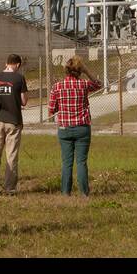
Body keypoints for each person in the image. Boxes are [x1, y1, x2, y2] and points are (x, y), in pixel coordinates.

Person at [48, 57, 101, 197]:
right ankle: (84, 193)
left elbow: (51, 109)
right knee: (81, 162)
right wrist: (87, 71)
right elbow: (98, 85)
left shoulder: (57, 86)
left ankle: (66, 192)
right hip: (82, 127)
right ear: (79, 71)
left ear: (66, 70)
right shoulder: (84, 84)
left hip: (65, 128)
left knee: (67, 163)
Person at [0, 54, 28, 196]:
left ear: (6, 63)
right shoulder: (19, 78)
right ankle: (9, 187)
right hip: (14, 120)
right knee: (11, 155)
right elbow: (24, 101)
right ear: (17, 64)